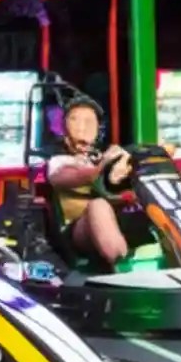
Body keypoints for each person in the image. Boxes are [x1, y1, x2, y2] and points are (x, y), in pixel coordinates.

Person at [46, 97, 135, 268]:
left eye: (88, 121)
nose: (81, 126)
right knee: (98, 206)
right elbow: (66, 178)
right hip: (78, 230)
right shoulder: (59, 161)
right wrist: (99, 169)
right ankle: (122, 266)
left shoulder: (104, 157)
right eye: (74, 120)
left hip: (117, 219)